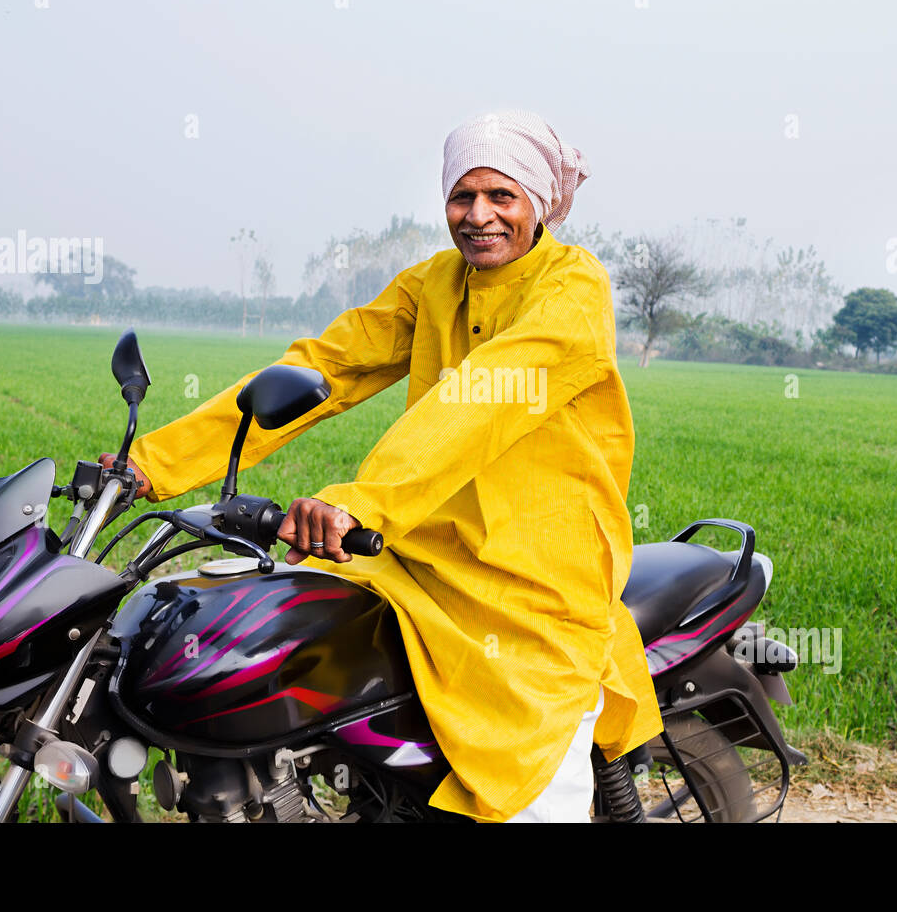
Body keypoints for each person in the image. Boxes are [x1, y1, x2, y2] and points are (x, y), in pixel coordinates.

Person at [102, 110, 663, 822]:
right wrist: (151, 464)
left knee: (529, 792)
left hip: (536, 581)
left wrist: (358, 503)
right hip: (418, 557)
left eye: (502, 197)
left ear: (539, 202)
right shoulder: (435, 282)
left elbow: (477, 402)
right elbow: (331, 364)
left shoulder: (573, 288)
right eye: (463, 197)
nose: (479, 216)